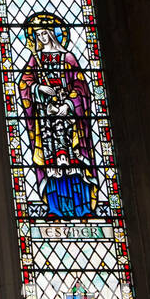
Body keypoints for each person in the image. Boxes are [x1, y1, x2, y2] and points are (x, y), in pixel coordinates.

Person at [17, 12, 97, 217]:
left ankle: (83, 207)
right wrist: (39, 89)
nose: (42, 38)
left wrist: (69, 104)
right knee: (51, 162)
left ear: (53, 34)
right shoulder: (36, 60)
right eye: (38, 35)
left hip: (68, 119)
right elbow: (24, 84)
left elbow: (81, 87)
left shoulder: (67, 57)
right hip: (46, 119)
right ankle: (54, 207)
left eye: (45, 33)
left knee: (73, 161)